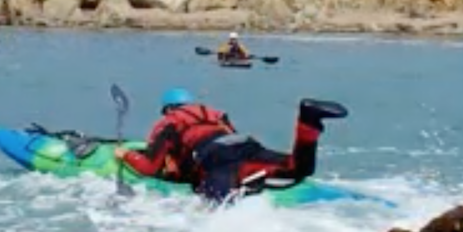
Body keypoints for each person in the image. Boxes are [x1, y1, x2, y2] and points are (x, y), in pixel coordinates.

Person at [113, 87, 347, 203]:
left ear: (167, 109)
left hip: (216, 159)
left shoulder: (169, 123)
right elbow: (228, 138)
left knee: (218, 208)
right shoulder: (214, 114)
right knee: (297, 168)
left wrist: (125, 154)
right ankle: (308, 120)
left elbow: (150, 167)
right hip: (243, 143)